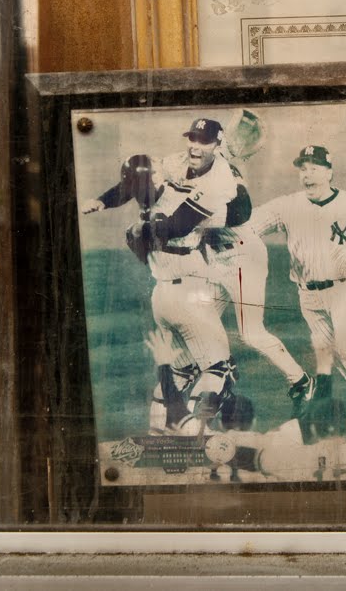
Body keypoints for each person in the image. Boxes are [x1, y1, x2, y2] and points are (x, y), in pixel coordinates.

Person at [81, 117, 246, 433]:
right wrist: (112, 207)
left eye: (202, 142)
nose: (193, 147)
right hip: (189, 294)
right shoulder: (188, 183)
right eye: (193, 140)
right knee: (219, 369)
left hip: (163, 297)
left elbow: (136, 186)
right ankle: (195, 436)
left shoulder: (176, 190)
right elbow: (174, 222)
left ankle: (156, 435)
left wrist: (123, 217)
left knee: (181, 371)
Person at [249, 144, 346, 439]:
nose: (308, 174)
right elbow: (248, 226)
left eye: (315, 168)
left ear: (329, 172)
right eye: (303, 168)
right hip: (308, 295)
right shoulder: (287, 206)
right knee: (337, 354)